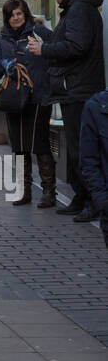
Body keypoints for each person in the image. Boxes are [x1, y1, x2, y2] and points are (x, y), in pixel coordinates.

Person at [27, 0, 104, 220]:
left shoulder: (80, 9)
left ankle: (93, 201)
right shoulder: (78, 7)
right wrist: (43, 36)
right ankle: (81, 197)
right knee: (76, 147)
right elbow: (71, 40)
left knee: (81, 148)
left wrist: (44, 49)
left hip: (79, 89)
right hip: (76, 88)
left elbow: (77, 46)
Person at [0, 0, 56, 207]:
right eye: (11, 15)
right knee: (19, 146)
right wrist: (4, 64)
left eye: (19, 13)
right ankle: (24, 191)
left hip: (38, 97)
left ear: (25, 13)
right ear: (7, 19)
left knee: (40, 143)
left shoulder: (40, 32)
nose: (16, 18)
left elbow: (57, 54)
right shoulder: (2, 41)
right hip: (14, 100)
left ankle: (49, 192)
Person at [77, 91, 108, 252]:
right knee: (21, 153)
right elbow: (88, 160)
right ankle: (25, 190)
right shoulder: (96, 108)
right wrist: (102, 200)